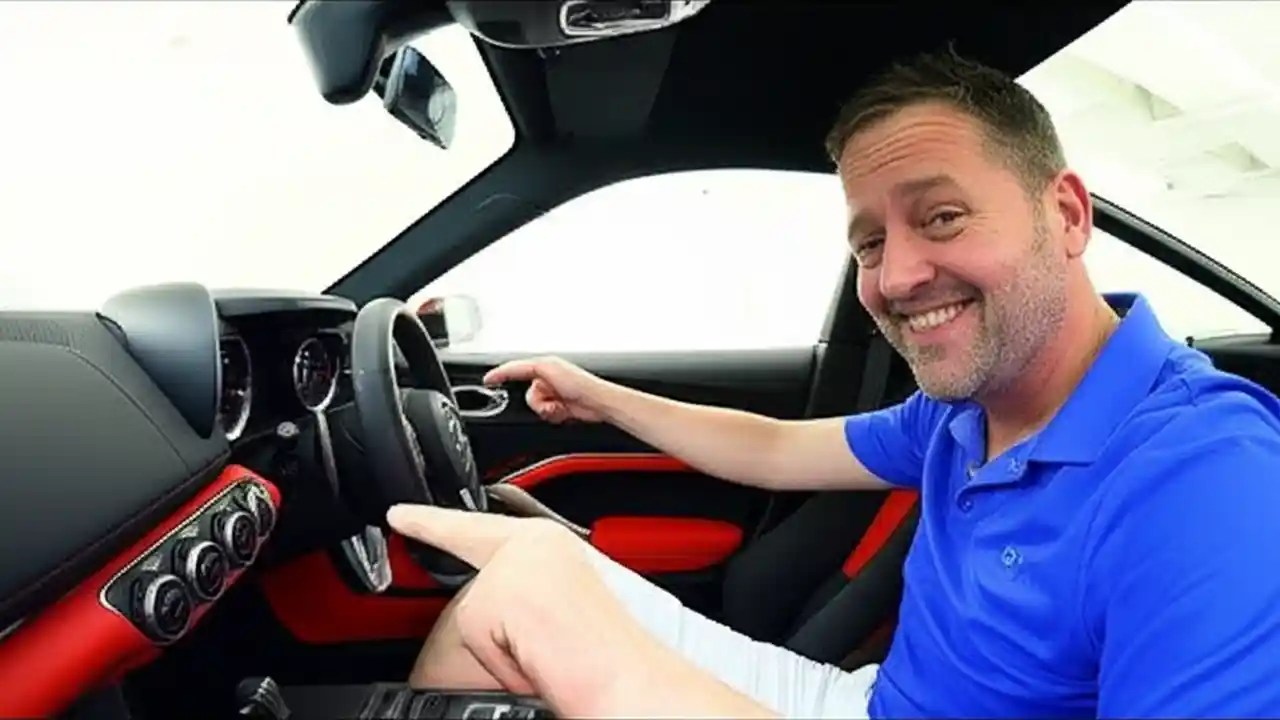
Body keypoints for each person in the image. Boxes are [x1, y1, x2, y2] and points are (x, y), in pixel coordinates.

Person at [386, 49, 1280, 718]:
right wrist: (601, 398)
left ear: (1068, 214)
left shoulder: (1206, 477)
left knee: (527, 600)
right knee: (501, 593)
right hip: (858, 701)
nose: (894, 278)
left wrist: (612, 673)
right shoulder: (964, 411)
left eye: (942, 217)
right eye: (870, 242)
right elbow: (775, 450)